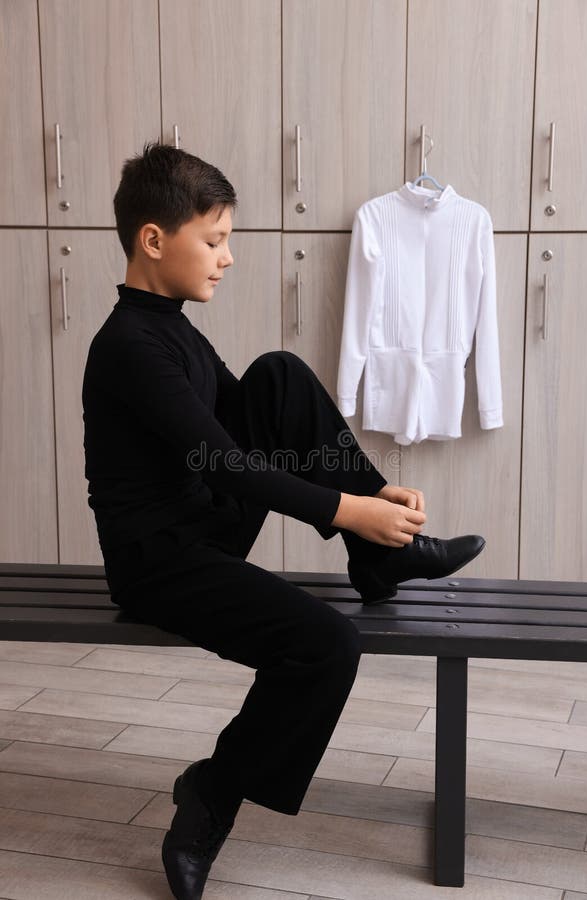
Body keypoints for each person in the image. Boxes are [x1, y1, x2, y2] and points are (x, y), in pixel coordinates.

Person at [81, 140, 485, 900]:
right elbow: (226, 464)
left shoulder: (174, 329)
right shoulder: (129, 346)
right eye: (214, 240)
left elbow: (251, 427)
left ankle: (382, 556)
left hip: (204, 527)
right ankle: (211, 793)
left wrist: (371, 495)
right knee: (325, 644)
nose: (227, 257)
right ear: (154, 240)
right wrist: (351, 509)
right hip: (159, 562)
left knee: (279, 376)